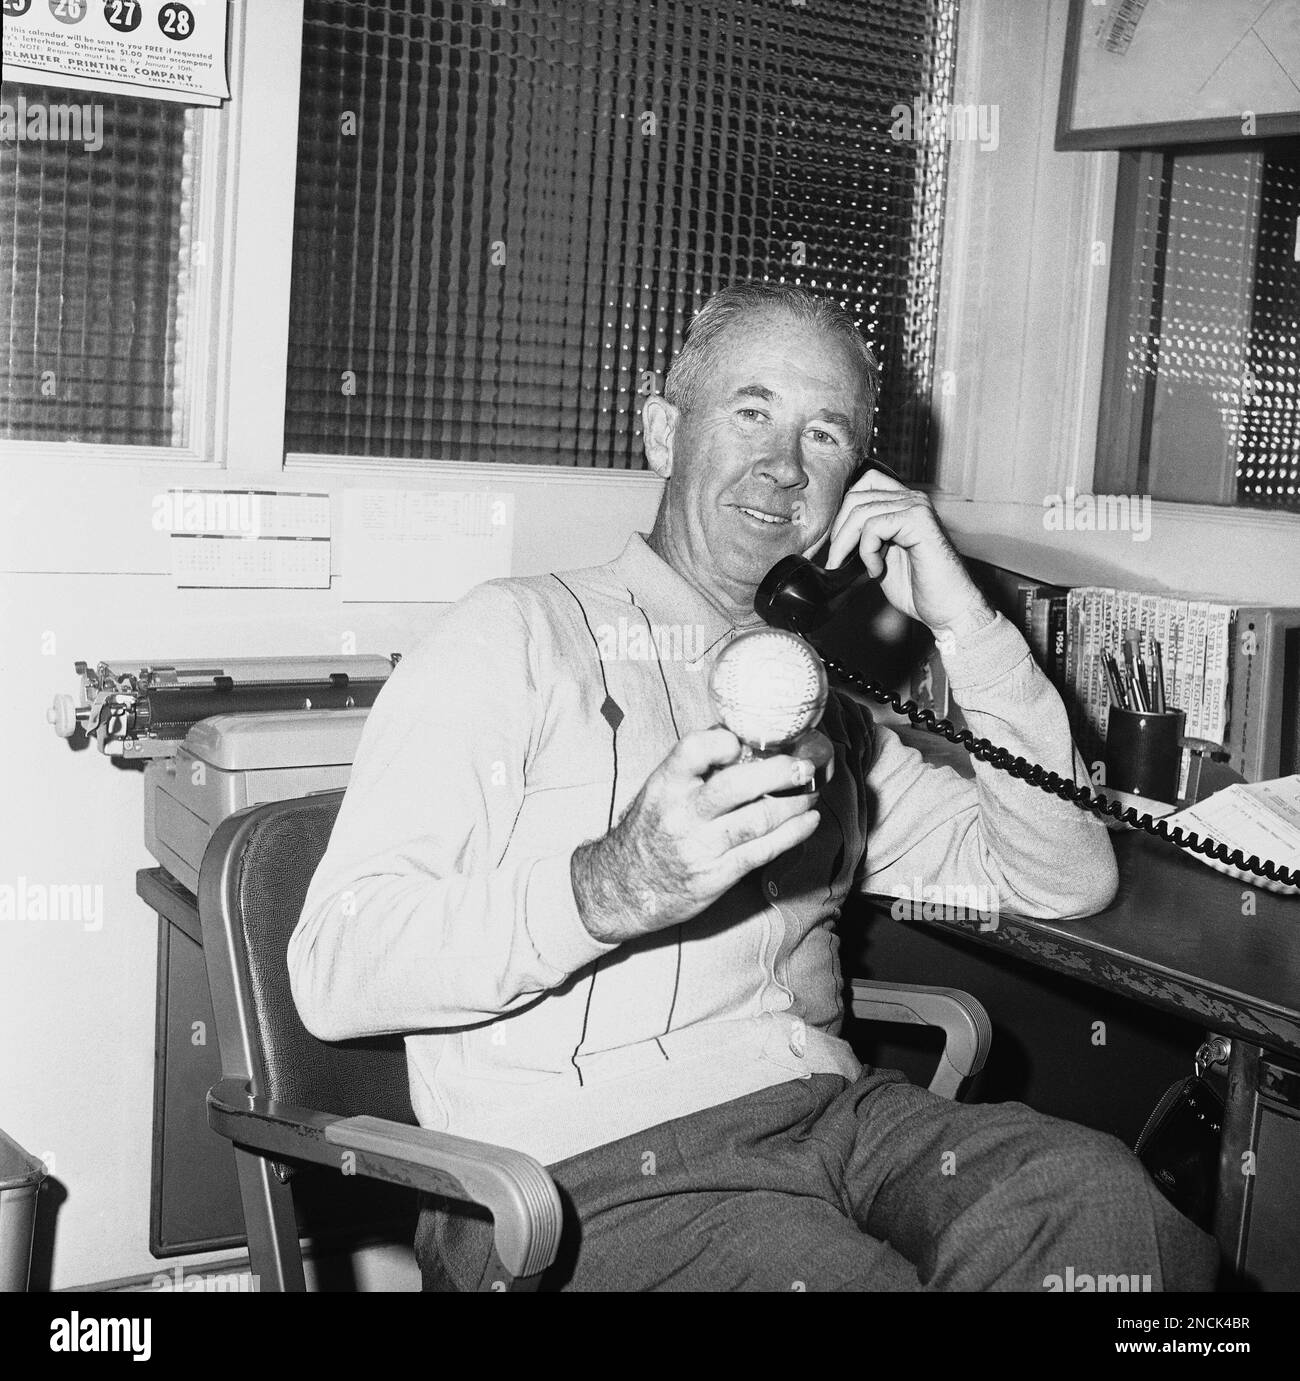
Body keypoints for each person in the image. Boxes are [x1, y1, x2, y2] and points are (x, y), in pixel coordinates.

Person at [288, 282, 1218, 1291]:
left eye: (824, 434)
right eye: (751, 412)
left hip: (839, 1122)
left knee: (1107, 1209)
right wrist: (608, 885)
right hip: (589, 1176)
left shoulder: (827, 714)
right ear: (660, 432)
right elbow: (337, 964)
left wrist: (969, 625)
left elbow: (1063, 880)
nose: (782, 465)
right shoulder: (512, 634)